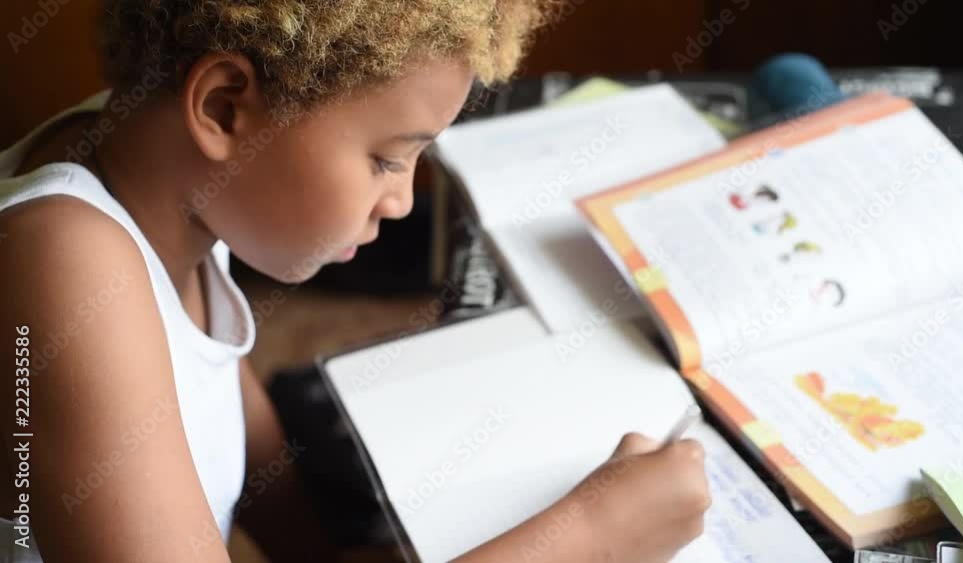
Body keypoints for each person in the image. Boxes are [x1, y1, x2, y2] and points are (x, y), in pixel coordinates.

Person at [0, 1, 710, 561]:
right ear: (222, 107)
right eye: (385, 159)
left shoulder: (152, 167)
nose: (401, 200)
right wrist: (590, 537)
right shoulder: (61, 261)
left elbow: (221, 416)